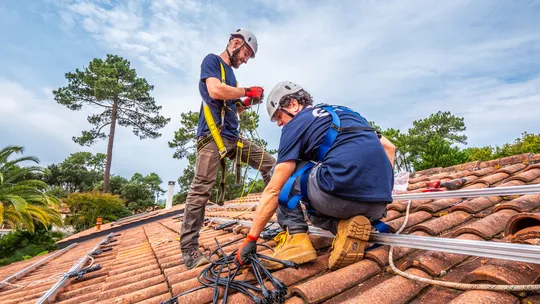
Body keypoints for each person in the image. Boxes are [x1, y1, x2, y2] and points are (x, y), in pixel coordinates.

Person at [236, 81, 395, 271]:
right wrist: (382, 191)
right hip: (379, 205)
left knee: (280, 171)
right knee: (313, 202)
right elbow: (389, 147)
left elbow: (275, 188)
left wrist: (251, 238)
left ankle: (296, 240)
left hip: (340, 197)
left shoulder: (295, 124)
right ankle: (345, 226)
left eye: (279, 116)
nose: (279, 123)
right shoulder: (346, 113)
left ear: (294, 105)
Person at [180, 29, 276, 270]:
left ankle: (284, 221)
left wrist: (245, 103)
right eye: (245, 53)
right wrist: (246, 91)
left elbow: (231, 110)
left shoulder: (231, 77)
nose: (245, 59)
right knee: (201, 188)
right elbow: (214, 91)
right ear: (235, 42)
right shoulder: (212, 62)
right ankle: (189, 250)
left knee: (272, 165)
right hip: (213, 137)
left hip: (233, 137)